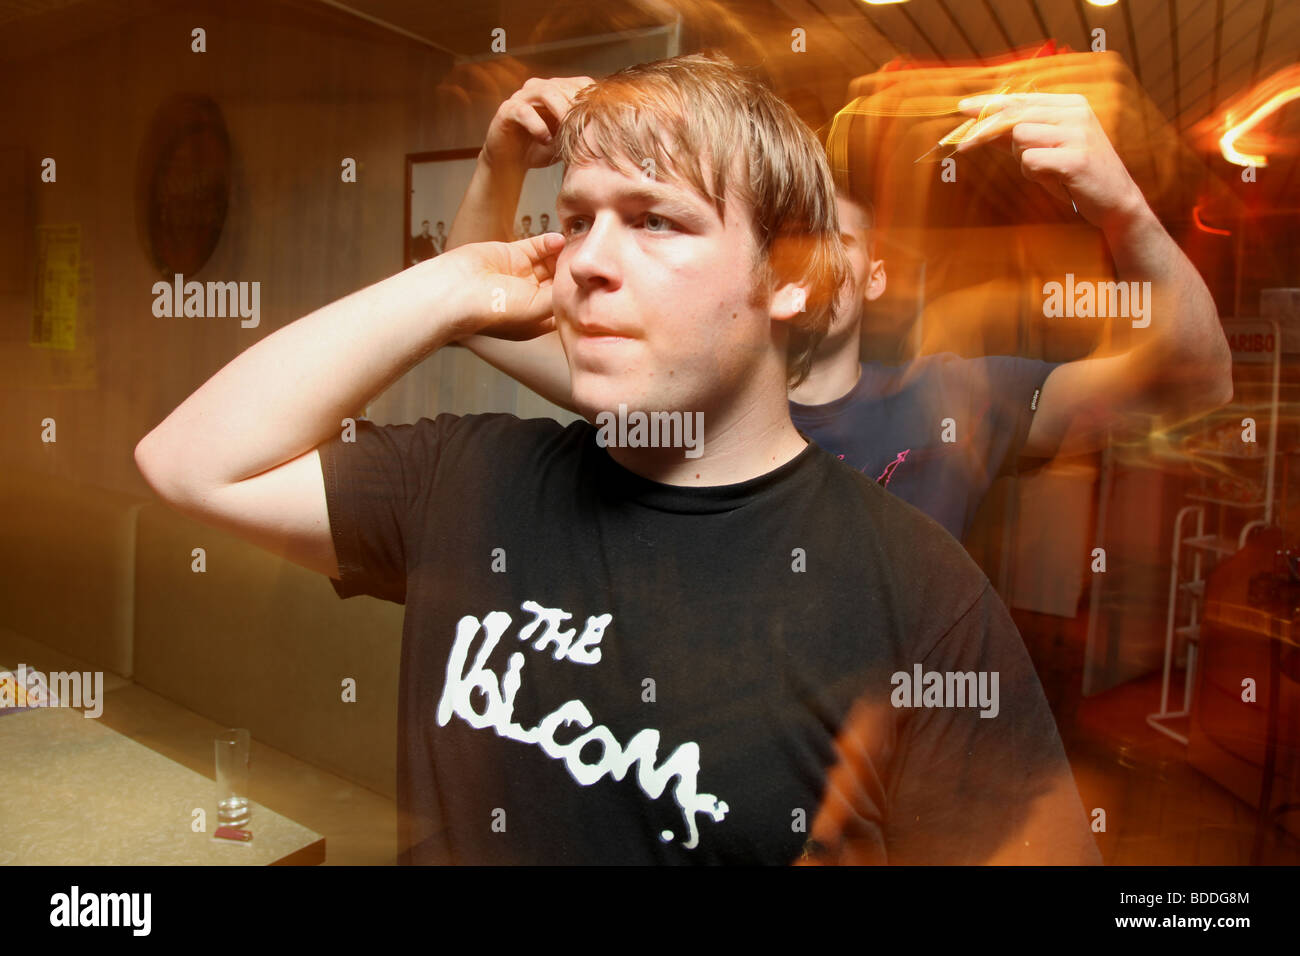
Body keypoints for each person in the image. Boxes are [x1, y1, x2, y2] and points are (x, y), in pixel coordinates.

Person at [134, 54, 1100, 865]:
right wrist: (451, 286)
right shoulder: (465, 479)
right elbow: (188, 463)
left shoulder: (915, 590)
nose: (590, 258)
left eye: (654, 219)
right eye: (577, 217)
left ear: (793, 280)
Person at [452, 78, 1233, 542]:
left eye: (837, 237)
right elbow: (481, 311)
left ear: (877, 275)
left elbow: (1196, 382)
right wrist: (501, 160)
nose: (812, 255)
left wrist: (1127, 213)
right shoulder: (693, 388)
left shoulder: (955, 394)